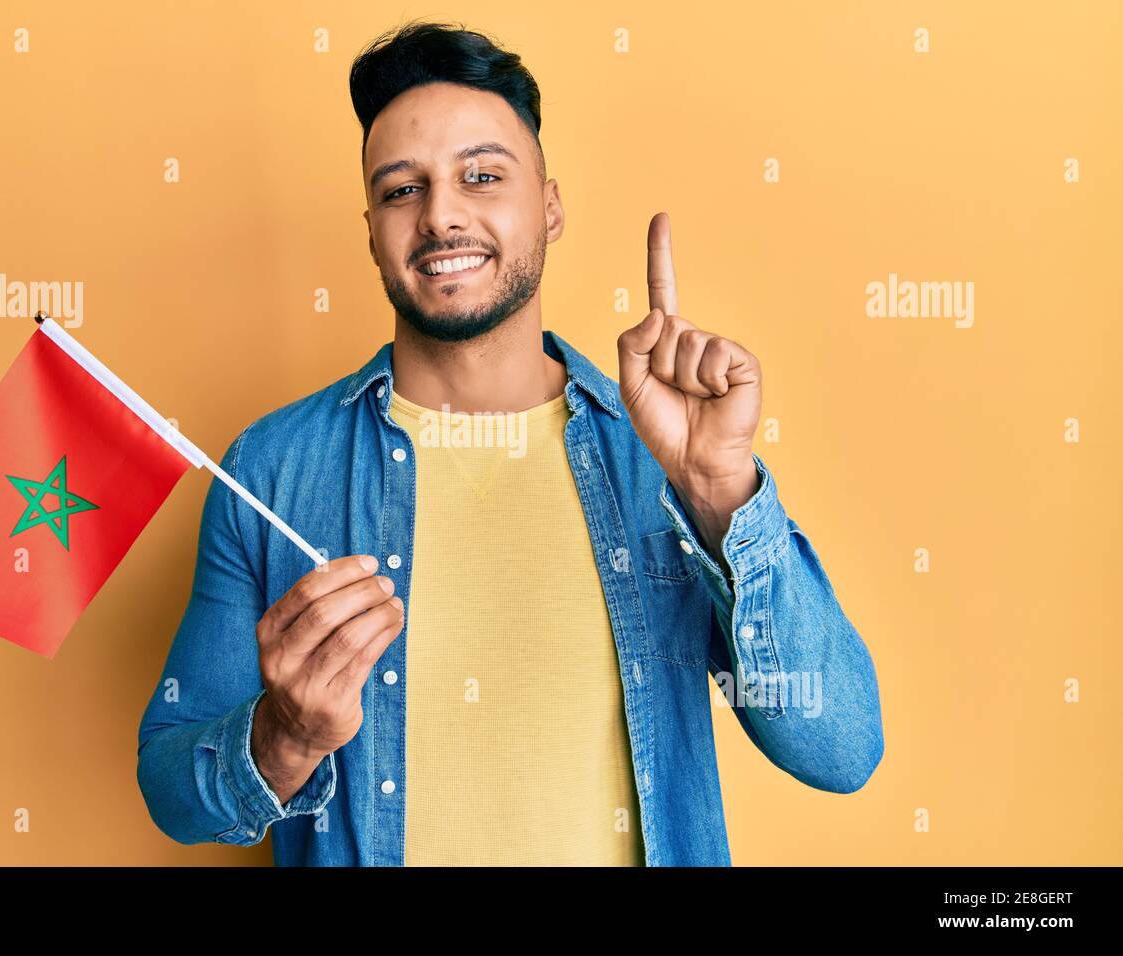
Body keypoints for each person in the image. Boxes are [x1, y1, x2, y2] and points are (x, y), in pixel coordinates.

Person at [136, 19, 884, 866]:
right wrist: (283, 738)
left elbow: (842, 749)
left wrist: (720, 494)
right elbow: (169, 786)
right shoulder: (272, 472)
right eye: (401, 190)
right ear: (371, 230)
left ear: (551, 206)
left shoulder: (663, 457)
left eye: (483, 176)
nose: (442, 216)